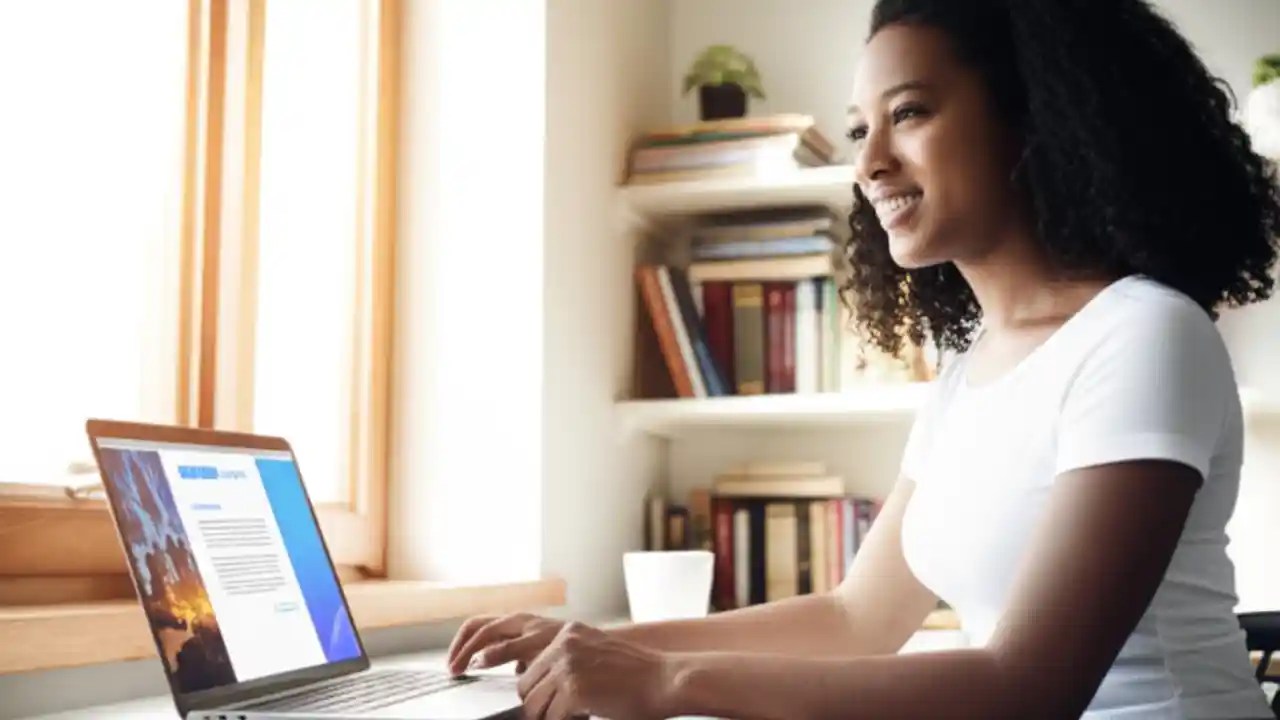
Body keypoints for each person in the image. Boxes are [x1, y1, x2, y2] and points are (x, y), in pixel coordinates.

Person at [448, 0, 1280, 717]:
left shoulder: (1144, 336)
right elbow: (858, 618)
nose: (870, 161)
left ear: (1033, 118)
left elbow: (1028, 689)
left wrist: (671, 681)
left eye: (910, 113)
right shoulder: (970, 371)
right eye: (860, 128)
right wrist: (590, 644)